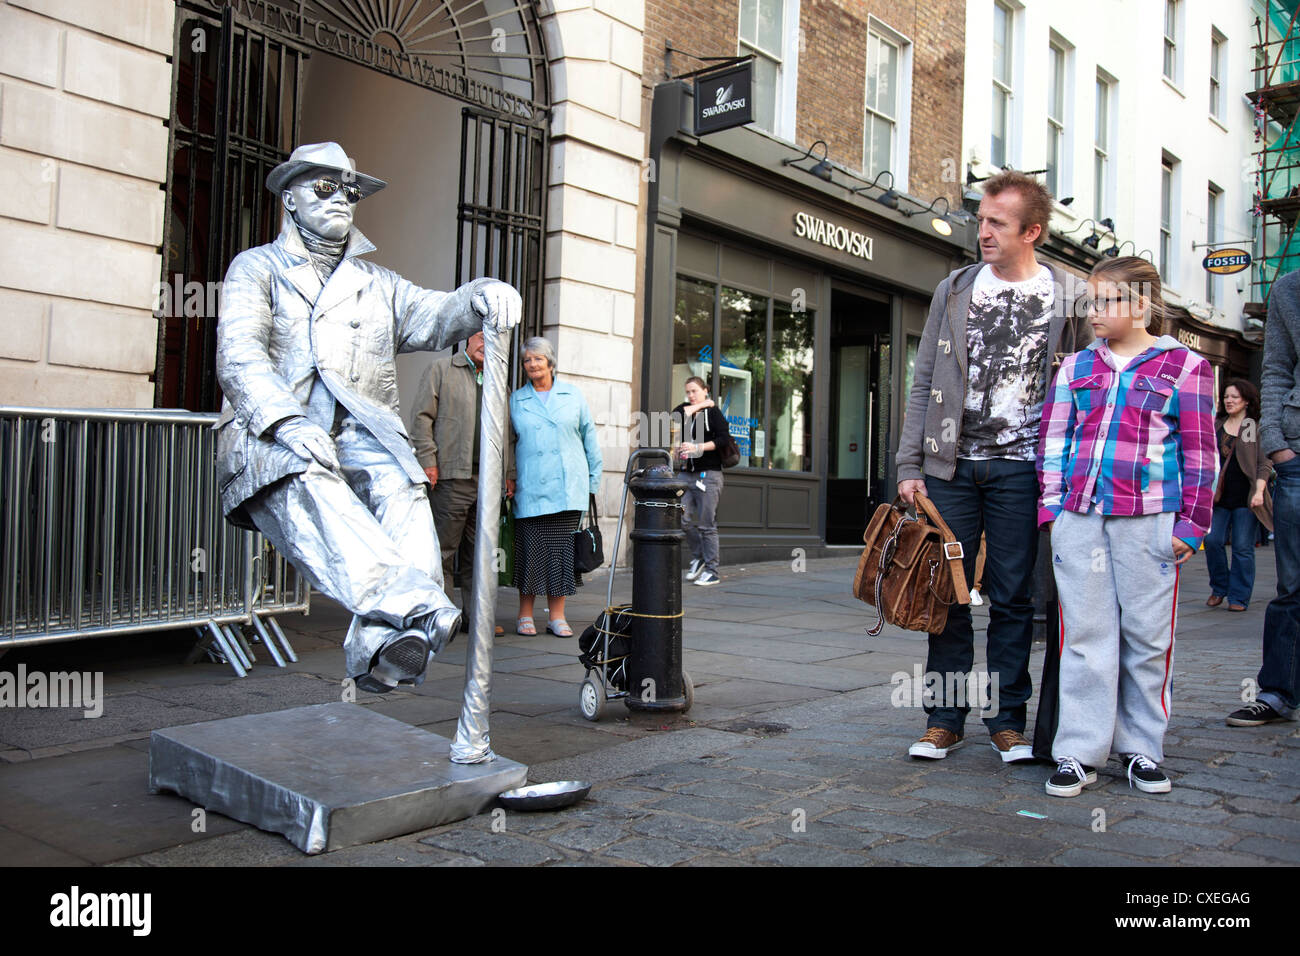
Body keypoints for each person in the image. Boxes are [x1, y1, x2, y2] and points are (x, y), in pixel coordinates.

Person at [214, 142, 520, 694]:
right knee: (306, 474)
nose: (340, 199)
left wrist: (482, 296)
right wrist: (287, 422)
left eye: (349, 190)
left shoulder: (380, 284)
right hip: (278, 430)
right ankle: (423, 606)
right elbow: (238, 355)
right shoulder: (256, 268)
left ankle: (381, 647)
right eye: (323, 188)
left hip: (362, 429)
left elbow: (434, 315)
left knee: (399, 485)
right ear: (289, 197)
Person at [895, 170, 1090, 764]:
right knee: (946, 594)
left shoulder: (1071, 295)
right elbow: (923, 378)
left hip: (1024, 470)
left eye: (996, 223)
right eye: (981, 219)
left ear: (1031, 231)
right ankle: (943, 720)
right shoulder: (953, 288)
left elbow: (1086, 385)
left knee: (1011, 600)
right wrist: (909, 463)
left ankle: (1008, 721)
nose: (982, 231)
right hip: (950, 468)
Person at [1037, 256, 1217, 797]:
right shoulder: (1075, 369)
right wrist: (1053, 511)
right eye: (1089, 300)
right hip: (1080, 518)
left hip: (1151, 521)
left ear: (1142, 306)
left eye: (1106, 301)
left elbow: (1201, 452)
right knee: (1085, 636)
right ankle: (1078, 751)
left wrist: (1192, 524)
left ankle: (1141, 749)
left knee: (1147, 635)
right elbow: (1054, 442)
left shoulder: (1185, 367)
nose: (1093, 312)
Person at [1227, 268, 1300, 727]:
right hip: (1297, 456)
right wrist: (1278, 444)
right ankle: (1277, 692)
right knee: (1292, 587)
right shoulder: (1290, 288)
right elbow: (1275, 367)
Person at [411, 331, 506, 637]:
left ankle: (474, 617)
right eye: (479, 337)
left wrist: (508, 474)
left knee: (479, 553)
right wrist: (428, 460)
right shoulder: (441, 370)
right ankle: (440, 617)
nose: (483, 344)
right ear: (467, 340)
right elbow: (422, 418)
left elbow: (507, 433)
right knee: (444, 550)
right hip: (452, 476)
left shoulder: (496, 378)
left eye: (489, 339)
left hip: (488, 480)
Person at [507, 336, 602, 637]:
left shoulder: (572, 395)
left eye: (538, 358)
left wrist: (592, 483)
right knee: (530, 552)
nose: (532, 364)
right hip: (530, 487)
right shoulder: (516, 400)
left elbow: (590, 440)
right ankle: (525, 615)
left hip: (568, 487)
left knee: (560, 554)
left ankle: (557, 616)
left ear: (550, 361)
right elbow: (508, 442)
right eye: (527, 360)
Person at [1204, 379, 1273, 612]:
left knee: (1243, 547)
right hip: (1218, 497)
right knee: (1212, 541)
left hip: (1246, 498)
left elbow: (1263, 462)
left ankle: (1239, 597)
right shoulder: (1217, 424)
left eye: (1234, 397)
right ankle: (1219, 587)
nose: (1229, 401)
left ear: (1246, 400)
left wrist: (1260, 491)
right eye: (1226, 397)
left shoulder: (1251, 426)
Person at [672, 376, 729, 586]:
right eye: (687, 392)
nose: (690, 395)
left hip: (709, 475)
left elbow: (724, 438)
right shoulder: (690, 410)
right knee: (680, 518)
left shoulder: (713, 413)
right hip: (687, 474)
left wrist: (699, 448)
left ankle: (712, 570)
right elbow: (676, 413)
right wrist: (703, 402)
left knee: (706, 525)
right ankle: (699, 557)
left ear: (705, 390)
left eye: (695, 391)